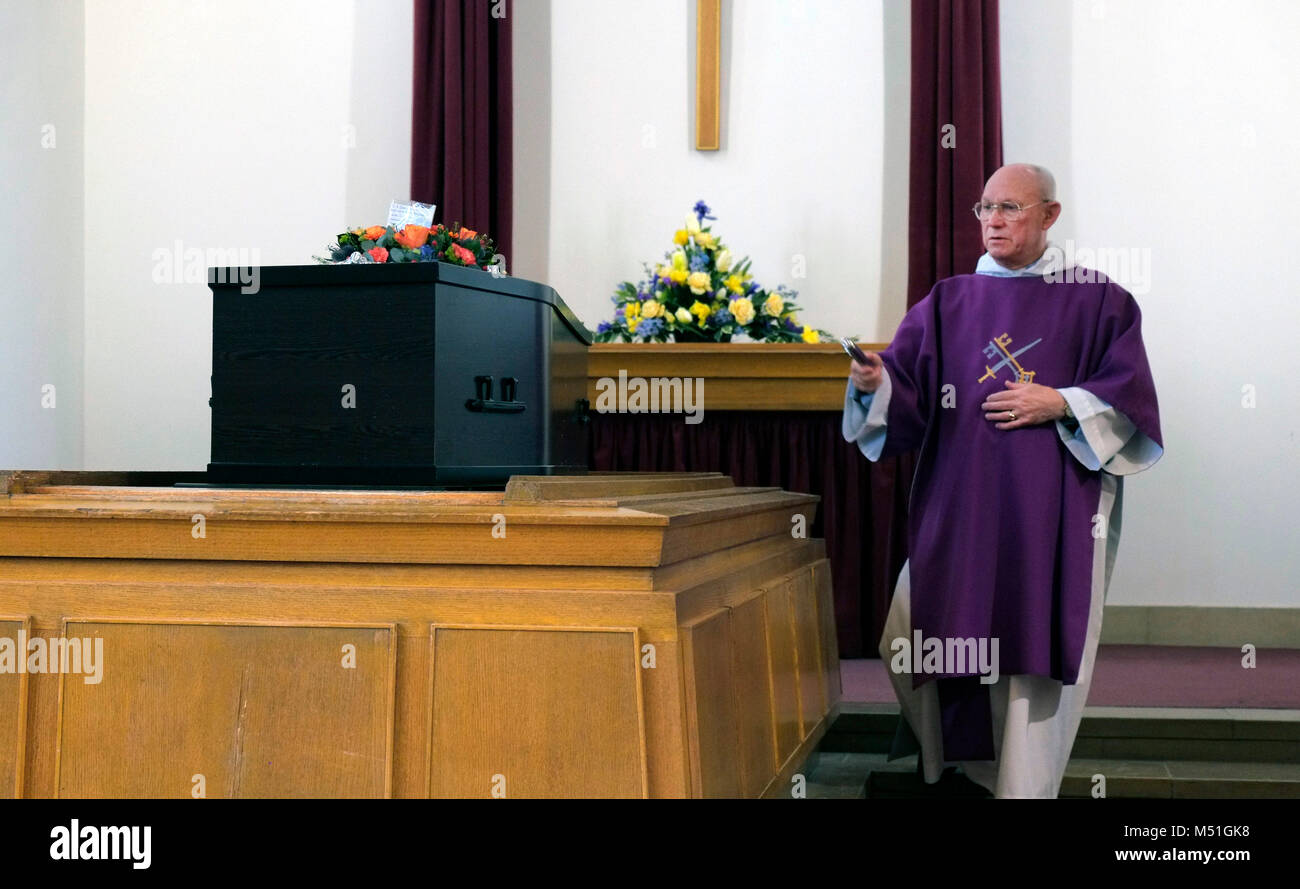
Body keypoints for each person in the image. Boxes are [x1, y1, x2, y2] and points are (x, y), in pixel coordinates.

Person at [842, 163, 1163, 799]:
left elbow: (1131, 399)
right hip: (959, 512)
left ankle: (1022, 789)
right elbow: (904, 396)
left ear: (1050, 215)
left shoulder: (1100, 300)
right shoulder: (948, 301)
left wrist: (1062, 402)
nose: (992, 220)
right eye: (984, 208)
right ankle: (958, 772)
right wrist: (875, 385)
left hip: (1052, 516)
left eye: (1010, 209)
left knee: (1030, 654)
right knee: (913, 633)